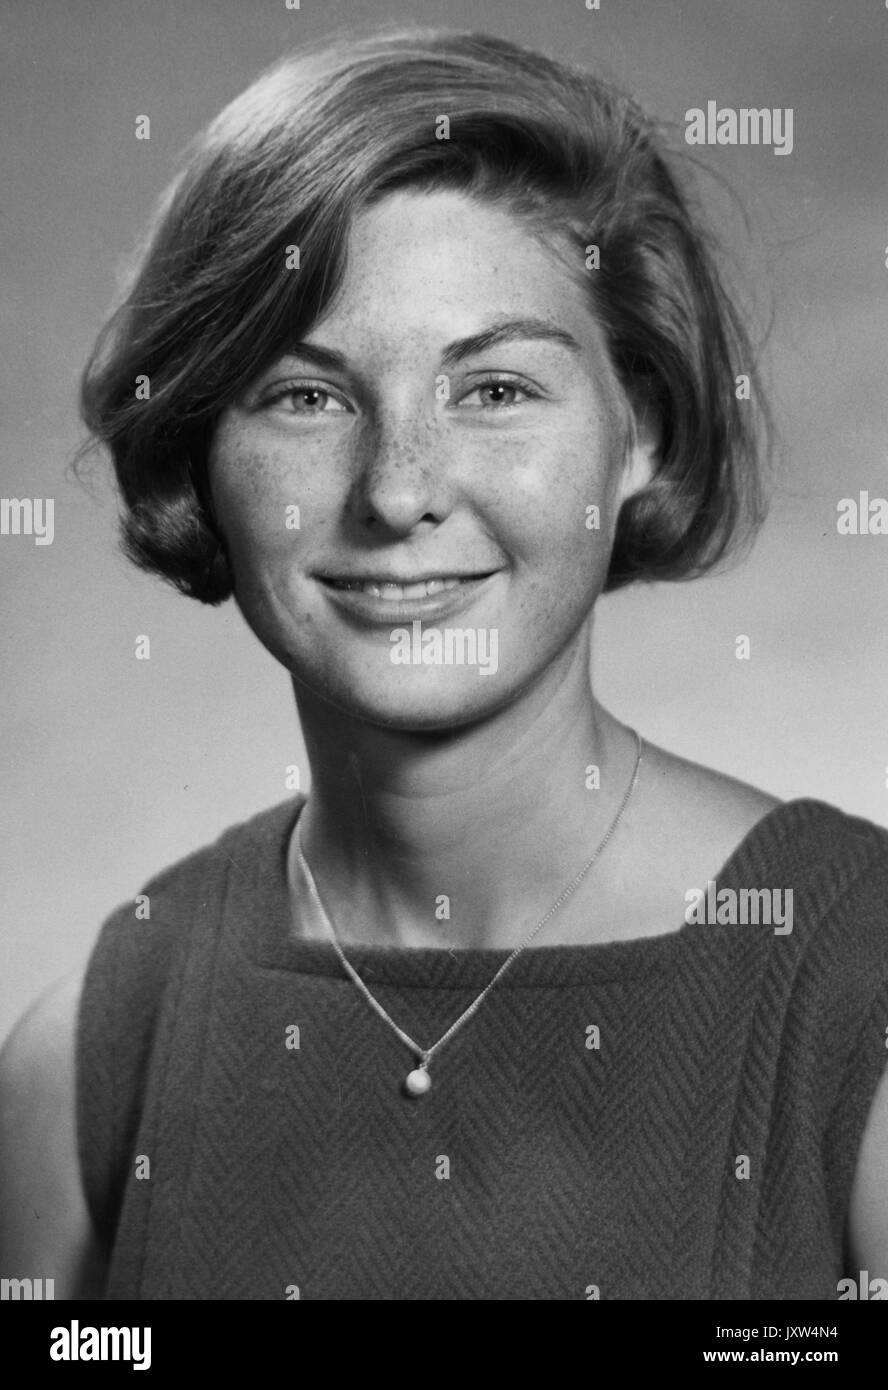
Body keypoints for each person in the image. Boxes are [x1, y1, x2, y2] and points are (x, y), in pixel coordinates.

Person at [2, 26, 887, 1302]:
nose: (399, 488)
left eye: (496, 390)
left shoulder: (851, 989)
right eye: (305, 397)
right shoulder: (97, 1046)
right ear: (200, 449)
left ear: (641, 428)